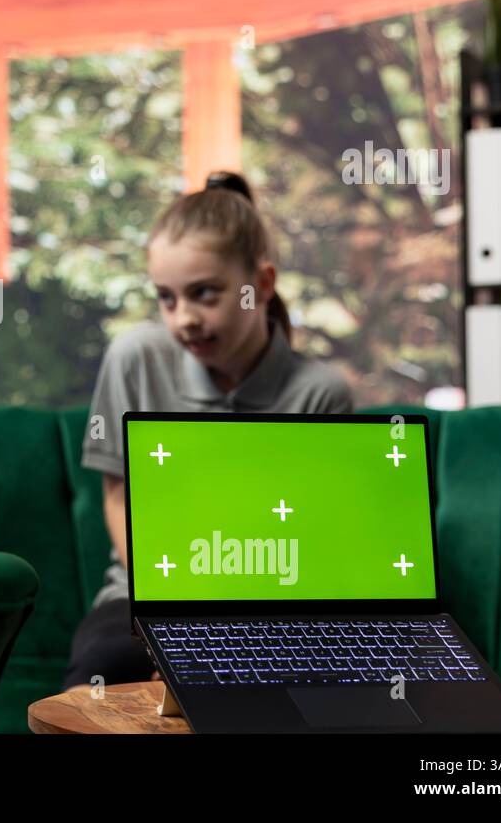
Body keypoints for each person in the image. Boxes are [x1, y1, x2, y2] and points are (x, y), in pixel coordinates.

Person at [63, 171, 353, 688]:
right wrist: (176, 610)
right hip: (145, 597)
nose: (184, 319)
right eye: (167, 298)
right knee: (103, 664)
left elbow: (313, 537)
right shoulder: (134, 358)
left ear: (261, 285)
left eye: (204, 294)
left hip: (273, 606)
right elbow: (117, 497)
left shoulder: (321, 391)